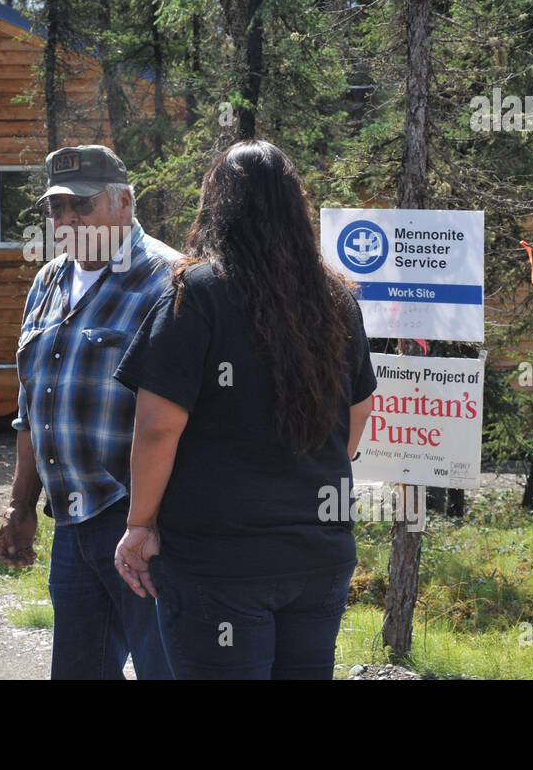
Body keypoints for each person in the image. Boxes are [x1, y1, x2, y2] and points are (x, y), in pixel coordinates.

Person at [111, 140, 375, 680]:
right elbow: (357, 418)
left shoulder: (196, 295)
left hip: (218, 558)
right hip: (318, 555)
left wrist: (140, 524)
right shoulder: (336, 299)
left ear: (218, 207)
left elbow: (158, 429)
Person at [0, 144, 179, 679]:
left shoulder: (169, 282)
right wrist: (21, 504)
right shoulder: (48, 281)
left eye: (82, 205)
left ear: (124, 202)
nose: (67, 219)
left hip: (147, 527)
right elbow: (32, 405)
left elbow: (189, 418)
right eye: (57, 208)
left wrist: (149, 523)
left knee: (164, 668)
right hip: (74, 525)